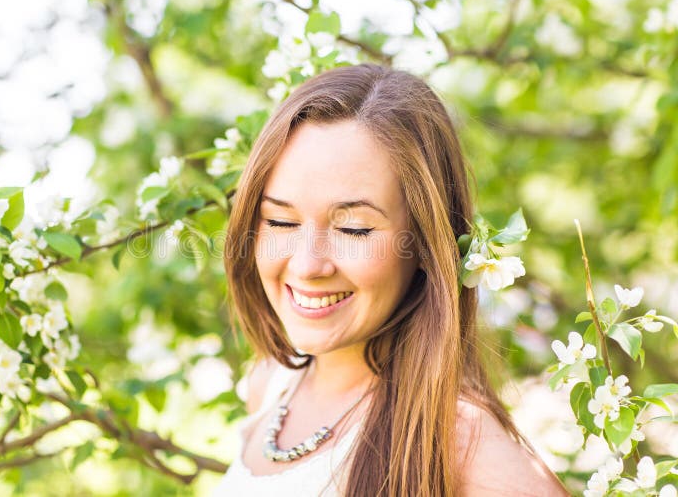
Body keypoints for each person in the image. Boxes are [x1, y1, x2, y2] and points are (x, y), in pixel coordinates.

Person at [217, 64, 568, 496]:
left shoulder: (458, 441)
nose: (308, 265)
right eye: (281, 221)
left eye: (354, 230)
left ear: (425, 242)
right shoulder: (270, 385)